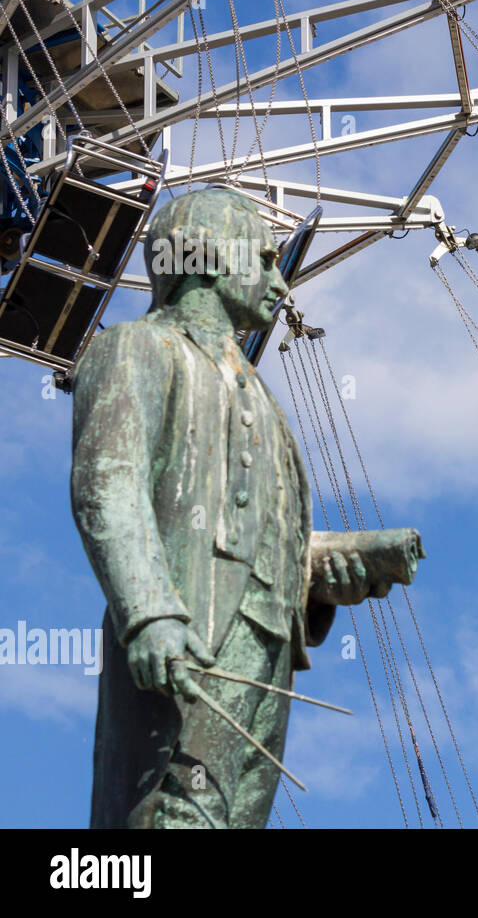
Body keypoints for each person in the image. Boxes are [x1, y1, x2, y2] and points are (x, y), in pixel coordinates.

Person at [70, 188, 423, 828]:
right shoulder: (137, 349)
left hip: (266, 651)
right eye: (262, 259)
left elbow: (268, 534)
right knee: (173, 814)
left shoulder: (270, 405)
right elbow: (107, 480)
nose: (279, 283)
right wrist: (148, 613)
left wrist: (321, 580)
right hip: (189, 630)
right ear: (202, 256)